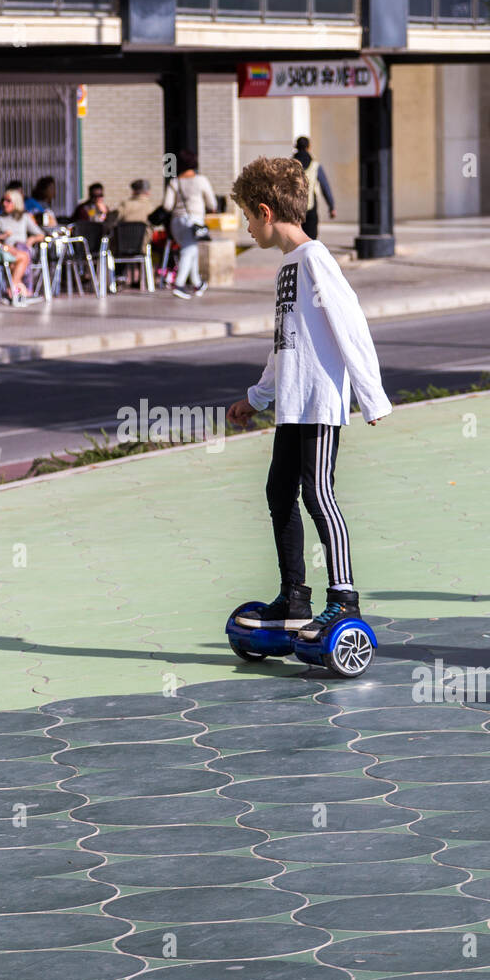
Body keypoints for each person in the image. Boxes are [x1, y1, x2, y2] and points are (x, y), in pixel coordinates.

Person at [226, 156, 391, 638]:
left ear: (266, 211)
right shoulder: (288, 267)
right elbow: (285, 345)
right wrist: (257, 398)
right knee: (279, 491)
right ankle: (294, 598)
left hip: (318, 403)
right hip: (292, 406)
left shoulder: (316, 259)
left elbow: (351, 325)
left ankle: (344, 599)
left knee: (319, 493)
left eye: (247, 217)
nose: (247, 228)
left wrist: (371, 395)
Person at [163, 149, 216, 298]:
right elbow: (212, 202)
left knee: (191, 249)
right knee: (189, 250)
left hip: (176, 222)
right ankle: (179, 284)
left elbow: (167, 205)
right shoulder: (201, 180)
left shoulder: (174, 182)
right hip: (194, 221)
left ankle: (197, 283)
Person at [0, 188, 44, 303]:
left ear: (16, 202)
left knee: (20, 255)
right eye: (3, 200)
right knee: (19, 258)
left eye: (8, 201)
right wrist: (2, 237)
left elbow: (40, 234)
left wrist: (31, 239)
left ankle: (12, 291)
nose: (4, 203)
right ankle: (22, 291)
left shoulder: (24, 217)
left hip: (21, 248)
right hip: (8, 249)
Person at [293, 136, 336, 240]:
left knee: (296, 241)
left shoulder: (290, 165)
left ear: (296, 147)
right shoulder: (315, 166)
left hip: (294, 210)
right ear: (309, 147)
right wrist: (331, 207)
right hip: (310, 208)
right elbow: (325, 187)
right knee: (311, 240)